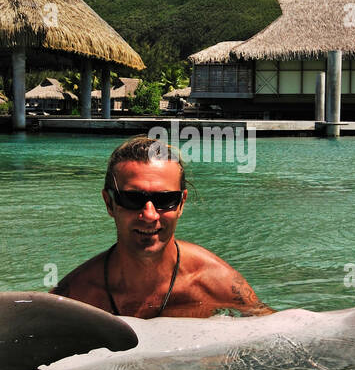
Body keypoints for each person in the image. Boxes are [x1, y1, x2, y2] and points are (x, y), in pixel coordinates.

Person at [52, 136, 272, 318]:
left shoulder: (216, 282)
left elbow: (276, 337)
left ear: (181, 204)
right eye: (132, 199)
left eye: (165, 200)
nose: (149, 215)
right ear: (109, 203)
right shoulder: (76, 296)